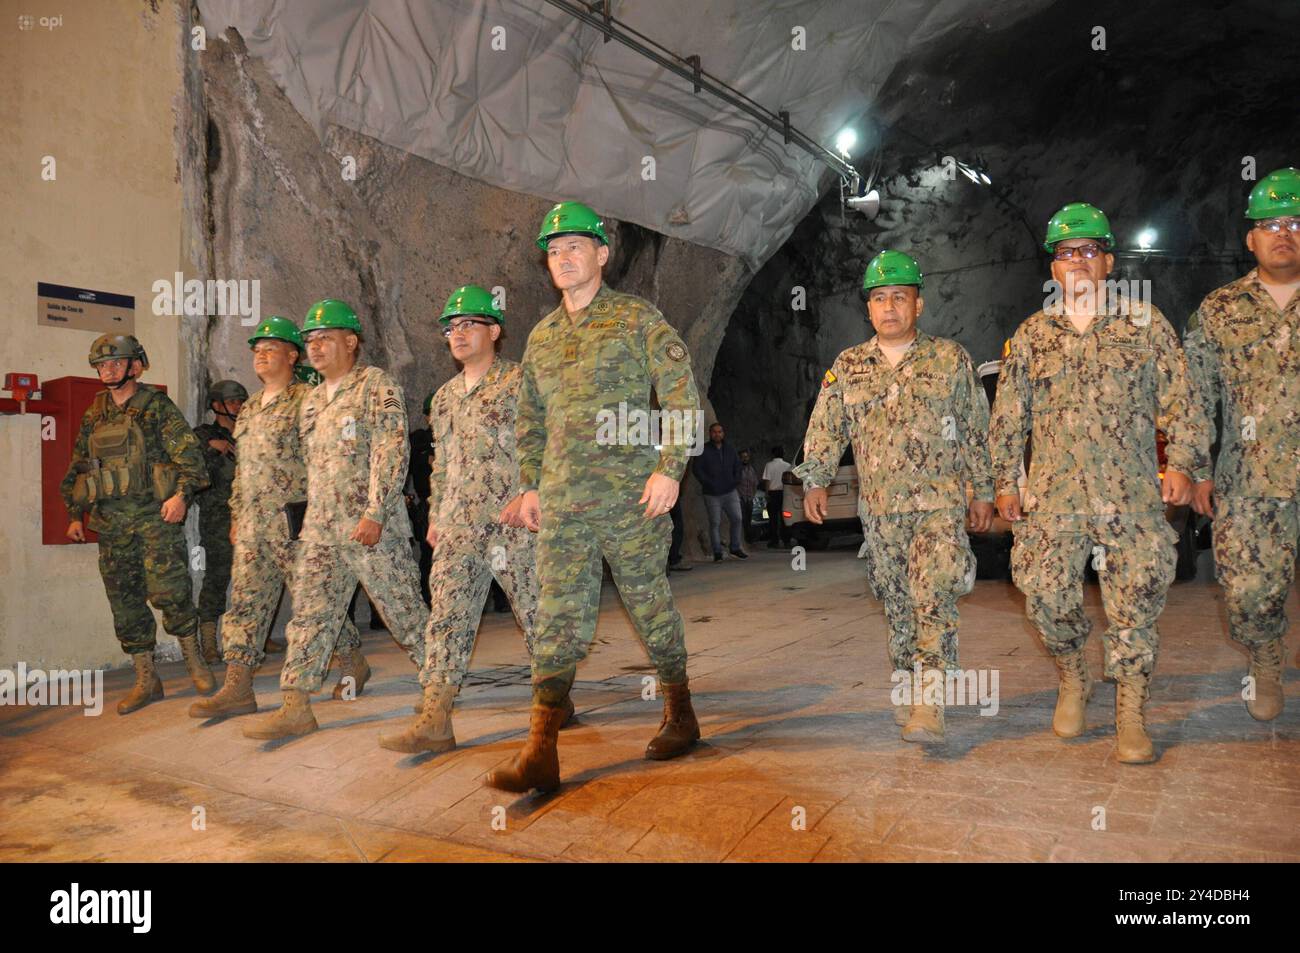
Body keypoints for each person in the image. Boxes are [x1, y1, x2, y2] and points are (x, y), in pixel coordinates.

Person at [486, 201, 701, 794]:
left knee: (649, 605)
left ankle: (680, 710)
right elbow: (529, 420)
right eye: (554, 251)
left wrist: (670, 468)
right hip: (562, 505)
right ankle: (541, 748)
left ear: (602, 254)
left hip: (632, 500)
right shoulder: (543, 337)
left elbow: (682, 396)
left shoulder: (637, 319)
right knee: (556, 618)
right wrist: (529, 483)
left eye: (575, 247)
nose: (563, 259)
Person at [989, 202, 1209, 764]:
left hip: (1130, 497)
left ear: (1108, 262)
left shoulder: (1145, 325)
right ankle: (1072, 674)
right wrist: (1006, 483)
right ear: (1053, 269)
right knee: (1043, 595)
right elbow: (1009, 418)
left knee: (1134, 606)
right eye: (1065, 253)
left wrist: (1183, 464)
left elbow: (1183, 401)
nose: (1077, 261)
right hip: (1053, 501)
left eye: (1088, 250)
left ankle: (1131, 712)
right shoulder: (1032, 336)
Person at [795, 250, 993, 743]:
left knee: (935, 594)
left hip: (939, 508)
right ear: (868, 309)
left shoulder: (950, 359)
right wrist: (815, 479)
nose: (889, 307)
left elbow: (976, 430)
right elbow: (825, 427)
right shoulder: (849, 366)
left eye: (899, 298)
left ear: (918, 305)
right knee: (899, 605)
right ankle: (910, 689)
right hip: (880, 514)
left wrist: (983, 490)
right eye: (879, 299)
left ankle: (931, 700)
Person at [380, 285, 574, 753]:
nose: (457, 334)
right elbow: (442, 462)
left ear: (495, 331)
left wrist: (530, 492)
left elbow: (551, 443)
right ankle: (436, 718)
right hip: (458, 529)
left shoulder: (521, 383)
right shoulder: (444, 398)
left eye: (468, 324)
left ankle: (557, 697)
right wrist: (436, 513)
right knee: (446, 619)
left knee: (536, 618)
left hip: (513, 526)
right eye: (451, 328)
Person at [242, 300, 427, 740]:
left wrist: (374, 511)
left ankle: (439, 686)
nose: (315, 347)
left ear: (351, 342)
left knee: (405, 614)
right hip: (321, 532)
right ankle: (296, 705)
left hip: (370, 530)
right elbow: (310, 468)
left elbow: (391, 450)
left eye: (325, 338)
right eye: (309, 340)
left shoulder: (373, 385)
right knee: (308, 617)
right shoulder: (309, 403)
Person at [189, 317, 364, 719]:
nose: (261, 356)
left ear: (292, 354)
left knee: (312, 601)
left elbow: (326, 461)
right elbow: (243, 469)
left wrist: (322, 513)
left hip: (297, 522)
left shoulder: (310, 399)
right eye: (256, 350)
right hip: (253, 526)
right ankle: (239, 685)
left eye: (271, 348)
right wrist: (236, 515)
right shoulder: (249, 408)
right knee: (246, 603)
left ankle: (351, 660)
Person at [1184, 167, 1300, 722]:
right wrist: (1198, 468)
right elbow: (1195, 398)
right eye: (1271, 223)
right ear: (1249, 238)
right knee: (1249, 594)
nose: (1285, 232)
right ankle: (1266, 658)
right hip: (1250, 479)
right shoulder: (1220, 311)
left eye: (1297, 221)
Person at [61, 334, 213, 713]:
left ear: (136, 366)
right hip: (111, 525)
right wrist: (73, 514)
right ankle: (147, 678)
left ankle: (195, 661)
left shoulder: (156, 407)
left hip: (154, 521)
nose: (107, 370)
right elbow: (79, 466)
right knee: (125, 604)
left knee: (172, 593)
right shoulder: (94, 413)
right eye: (102, 365)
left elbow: (191, 460)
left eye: (116, 363)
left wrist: (181, 497)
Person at [193, 379, 249, 663]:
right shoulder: (203, 436)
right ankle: (208, 642)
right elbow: (190, 471)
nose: (238, 406)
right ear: (216, 405)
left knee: (252, 580)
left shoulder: (248, 434)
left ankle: (250, 636)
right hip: (217, 519)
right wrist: (213, 450)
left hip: (250, 518)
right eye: (233, 402)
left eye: (241, 401)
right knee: (216, 579)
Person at [695, 422, 748, 561]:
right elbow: (697, 469)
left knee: (737, 518)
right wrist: (708, 482)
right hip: (712, 493)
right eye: (714, 432)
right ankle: (717, 552)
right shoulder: (703, 450)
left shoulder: (730, 449)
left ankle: (735, 548)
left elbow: (738, 466)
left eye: (720, 431)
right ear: (710, 434)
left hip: (730, 491)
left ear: (723, 433)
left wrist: (736, 480)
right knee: (715, 523)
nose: (717, 434)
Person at [762, 446, 793, 548]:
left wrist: (767, 494)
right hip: (785, 493)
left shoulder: (769, 465)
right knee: (785, 518)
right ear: (783, 454)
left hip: (773, 493)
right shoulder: (788, 465)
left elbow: (767, 481)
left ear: (773, 454)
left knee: (773, 519)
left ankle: (774, 541)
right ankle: (787, 540)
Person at [738, 449, 759, 543]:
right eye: (743, 457)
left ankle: (748, 539)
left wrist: (752, 495)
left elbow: (755, 483)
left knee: (748, 519)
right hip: (740, 498)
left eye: (746, 457)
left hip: (749, 498)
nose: (745, 459)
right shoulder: (737, 469)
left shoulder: (751, 470)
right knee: (742, 519)